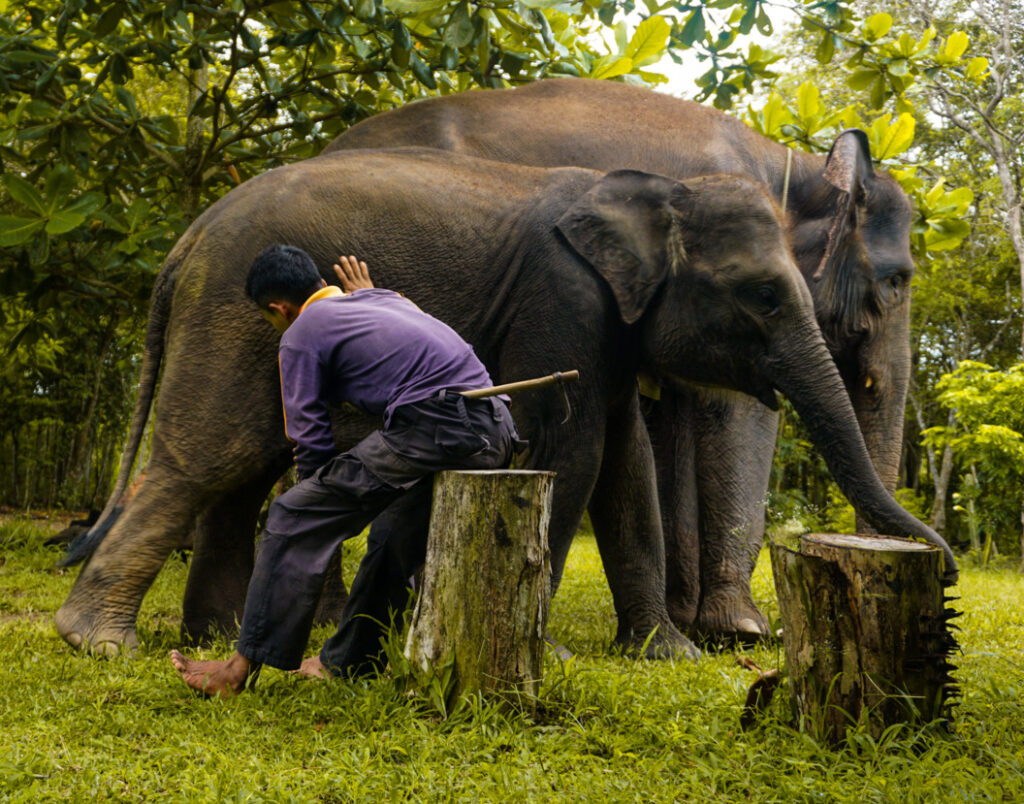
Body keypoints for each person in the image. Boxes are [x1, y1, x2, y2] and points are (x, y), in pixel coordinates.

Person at [171, 244, 520, 696]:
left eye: (268, 318)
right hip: (497, 426)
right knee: (392, 535)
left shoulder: (301, 332)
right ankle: (349, 663)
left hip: (443, 425)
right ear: (320, 282)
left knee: (293, 514)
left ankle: (236, 671)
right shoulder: (383, 300)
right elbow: (419, 331)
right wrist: (375, 294)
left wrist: (314, 500)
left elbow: (310, 438)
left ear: (279, 309)